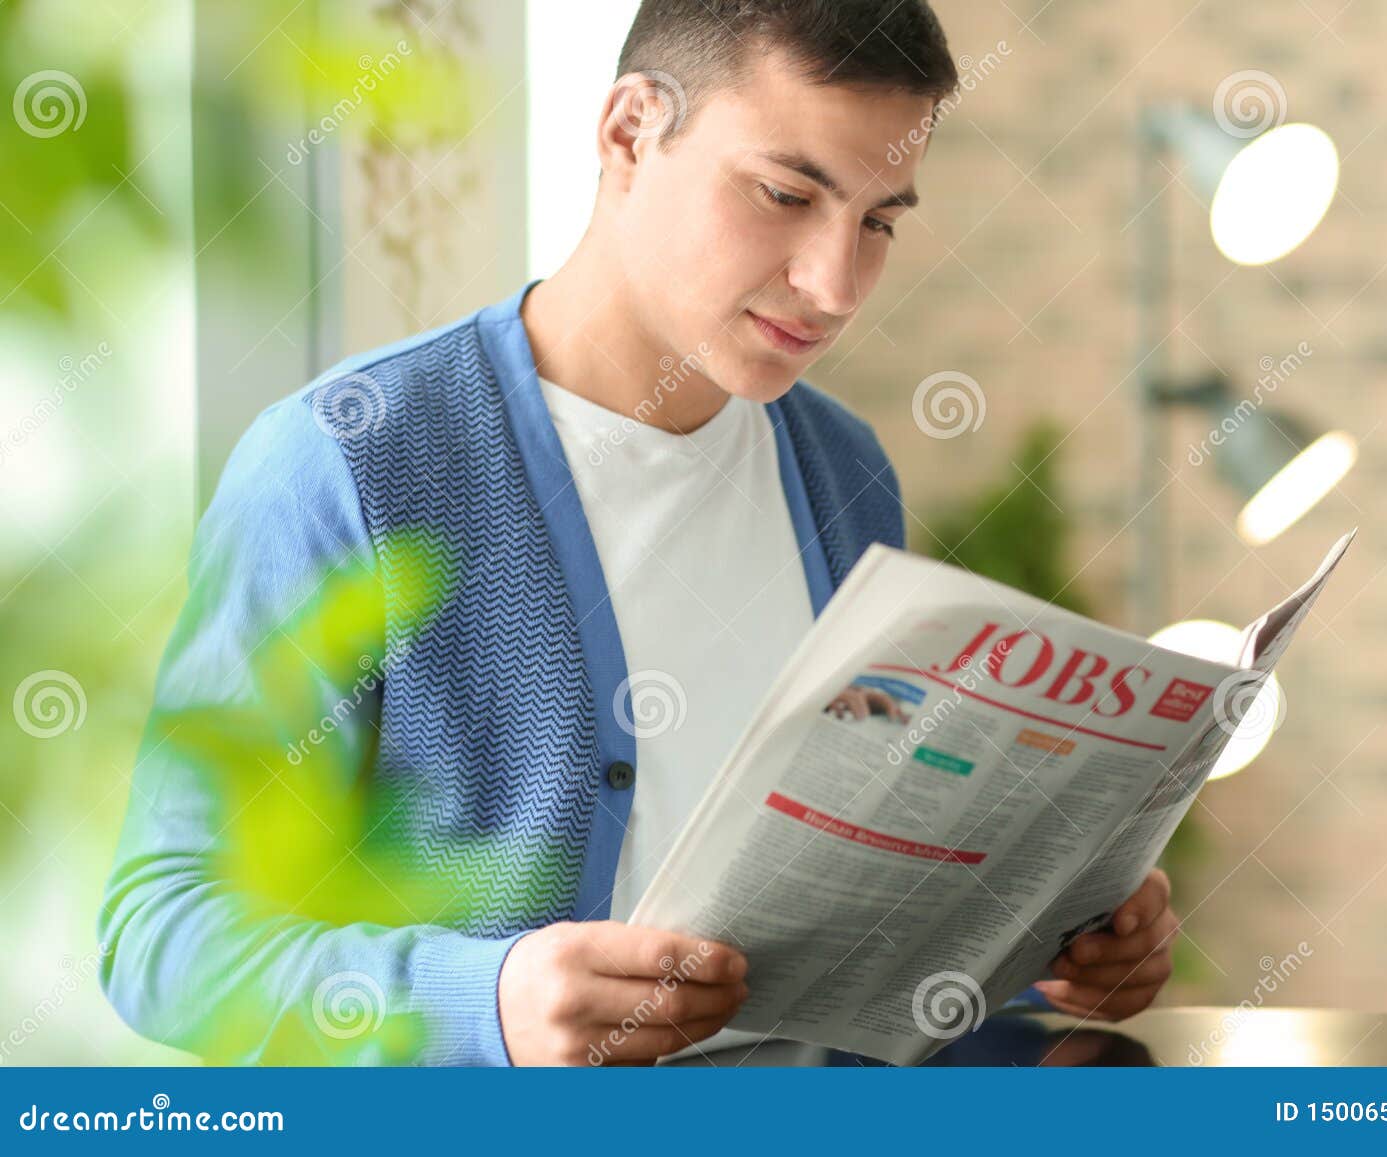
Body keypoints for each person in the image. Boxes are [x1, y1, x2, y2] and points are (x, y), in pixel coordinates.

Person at [98, 0, 1178, 1067]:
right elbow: (163, 935)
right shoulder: (353, 459)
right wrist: (486, 1002)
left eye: (879, 221)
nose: (834, 283)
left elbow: (860, 895)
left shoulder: (840, 472)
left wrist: (1051, 932)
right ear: (628, 132)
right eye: (786, 193)